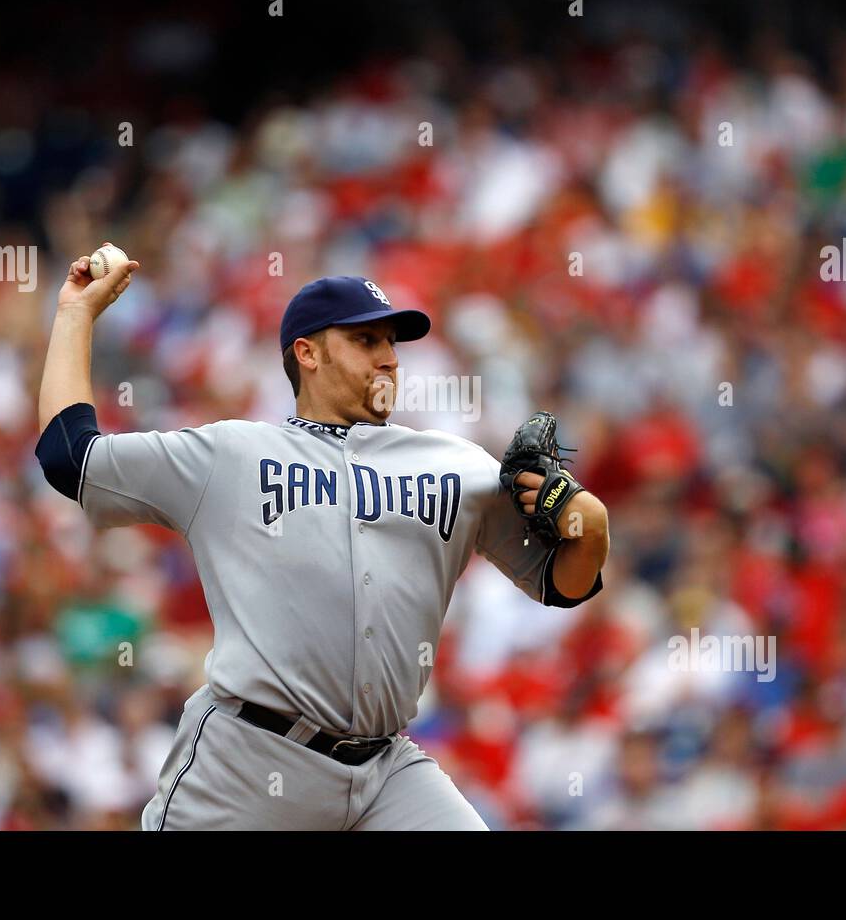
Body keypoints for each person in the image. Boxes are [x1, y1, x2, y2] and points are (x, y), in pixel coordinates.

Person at [34, 254, 610, 829]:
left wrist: (588, 520)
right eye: (365, 340)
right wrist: (75, 314)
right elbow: (70, 457)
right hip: (248, 764)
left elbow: (561, 584)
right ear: (307, 353)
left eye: (391, 342)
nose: (388, 358)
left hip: (384, 770)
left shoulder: (457, 466)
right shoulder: (231, 455)